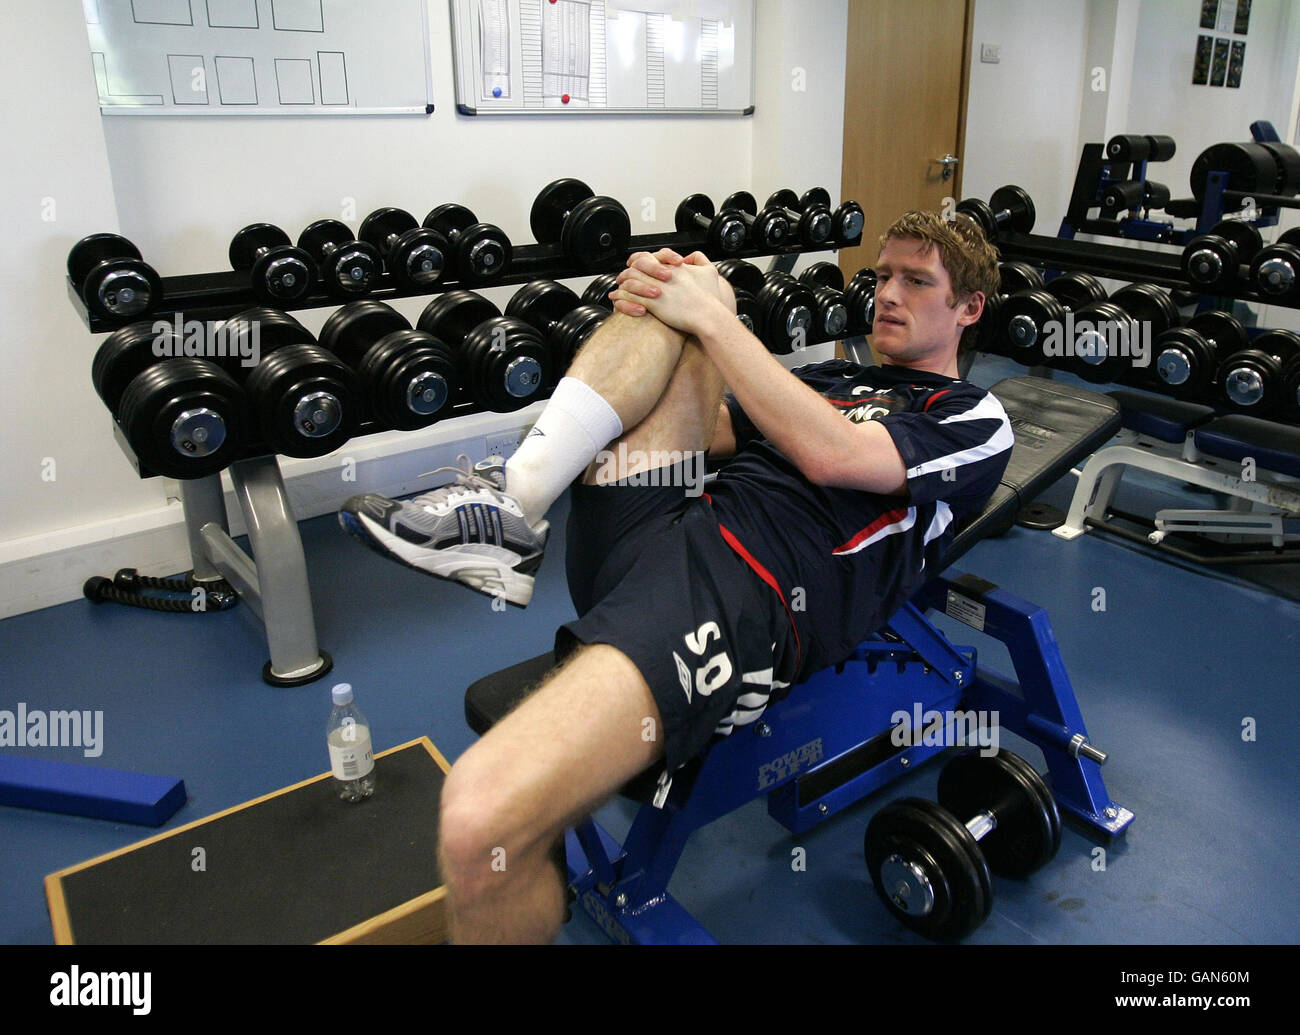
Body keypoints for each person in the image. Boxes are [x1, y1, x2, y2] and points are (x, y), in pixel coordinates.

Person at [338, 208, 1013, 943]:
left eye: (918, 281)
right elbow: (714, 428)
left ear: (969, 308)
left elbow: (838, 458)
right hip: (662, 526)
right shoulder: (833, 375)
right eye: (883, 274)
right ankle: (515, 500)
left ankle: (520, 508)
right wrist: (674, 302)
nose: (888, 293)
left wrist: (719, 321)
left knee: (479, 820)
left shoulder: (973, 417)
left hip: (742, 586)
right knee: (684, 291)